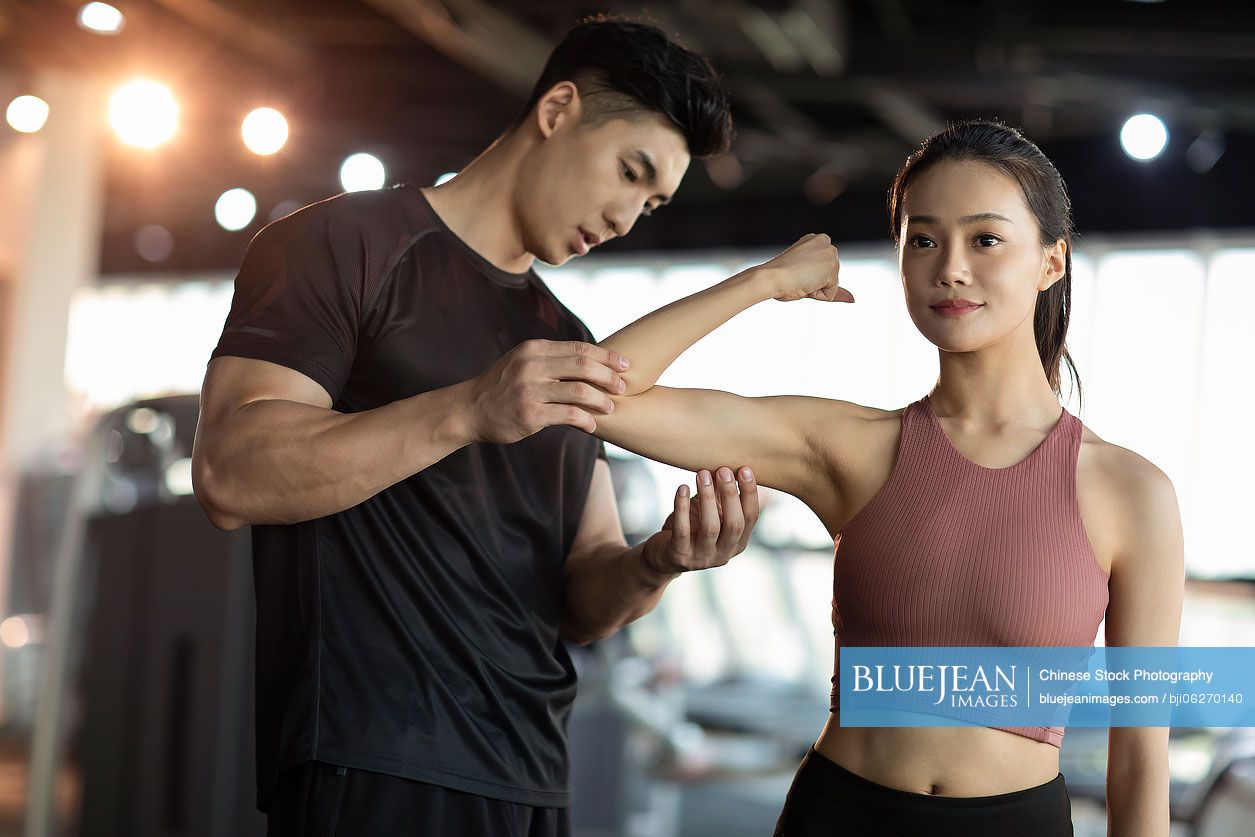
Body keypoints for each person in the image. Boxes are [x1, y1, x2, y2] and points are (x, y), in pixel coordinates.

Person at [190, 17, 761, 836]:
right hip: (376, 755)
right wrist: (465, 408)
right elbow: (229, 474)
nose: (629, 217)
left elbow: (581, 594)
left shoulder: (567, 342)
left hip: (532, 774)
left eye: (653, 200)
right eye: (629, 173)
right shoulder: (340, 244)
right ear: (558, 109)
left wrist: (659, 560)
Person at [590, 120, 1185, 836]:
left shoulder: (1130, 493)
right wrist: (764, 281)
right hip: (840, 814)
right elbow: (603, 394)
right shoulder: (848, 448)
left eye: (985, 239)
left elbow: (1140, 757)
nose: (950, 268)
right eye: (923, 240)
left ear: (1051, 261)